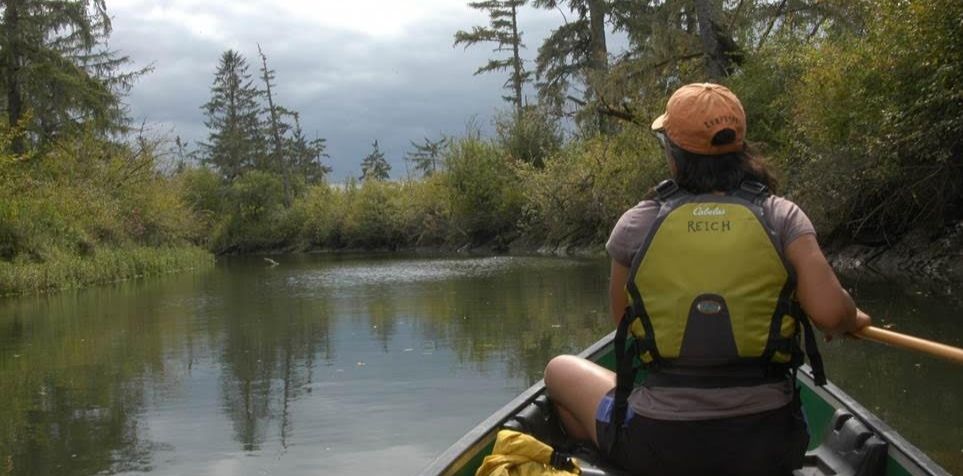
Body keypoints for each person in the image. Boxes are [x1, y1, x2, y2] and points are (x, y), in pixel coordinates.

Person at [543, 83, 872, 476]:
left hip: (660, 448)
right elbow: (831, 314)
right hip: (769, 446)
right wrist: (851, 317)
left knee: (559, 371)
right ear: (741, 147)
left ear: (673, 154)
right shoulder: (782, 216)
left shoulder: (637, 224)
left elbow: (625, 326)